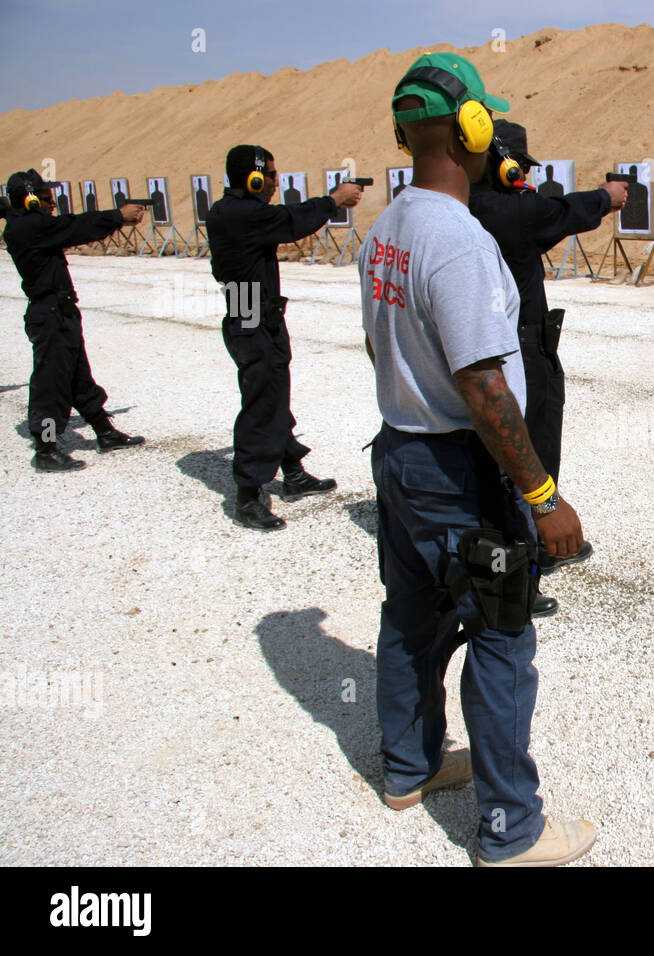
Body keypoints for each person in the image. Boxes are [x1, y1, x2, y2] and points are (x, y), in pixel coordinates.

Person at [362, 51, 595, 867]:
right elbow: (482, 384)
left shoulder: (385, 227)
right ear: (472, 128)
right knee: (502, 634)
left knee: (411, 616)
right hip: (461, 470)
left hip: (400, 456)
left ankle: (408, 767)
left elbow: (377, 346)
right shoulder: (455, 241)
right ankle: (510, 830)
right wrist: (540, 493)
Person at [469, 118, 624, 612]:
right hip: (521, 352)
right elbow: (562, 211)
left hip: (500, 347)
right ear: (505, 164)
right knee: (526, 458)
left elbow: (538, 226)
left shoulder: (466, 208)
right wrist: (607, 196)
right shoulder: (506, 211)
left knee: (512, 460)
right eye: (519, 168)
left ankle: (532, 550)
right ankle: (519, 576)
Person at [206, 145, 362, 530]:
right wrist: (333, 201)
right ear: (254, 177)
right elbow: (293, 221)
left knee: (275, 396)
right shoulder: (239, 213)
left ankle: (292, 472)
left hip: (261, 315)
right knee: (261, 405)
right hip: (249, 316)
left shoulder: (238, 212)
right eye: (271, 175)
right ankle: (247, 496)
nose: (277, 182)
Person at [4, 169, 148, 471]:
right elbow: (78, 227)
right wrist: (117, 216)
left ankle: (104, 433)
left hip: (61, 311)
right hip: (49, 314)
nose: (53, 203)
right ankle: (45, 449)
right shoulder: (28, 228)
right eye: (45, 198)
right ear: (29, 201)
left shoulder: (25, 223)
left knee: (78, 377)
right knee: (50, 383)